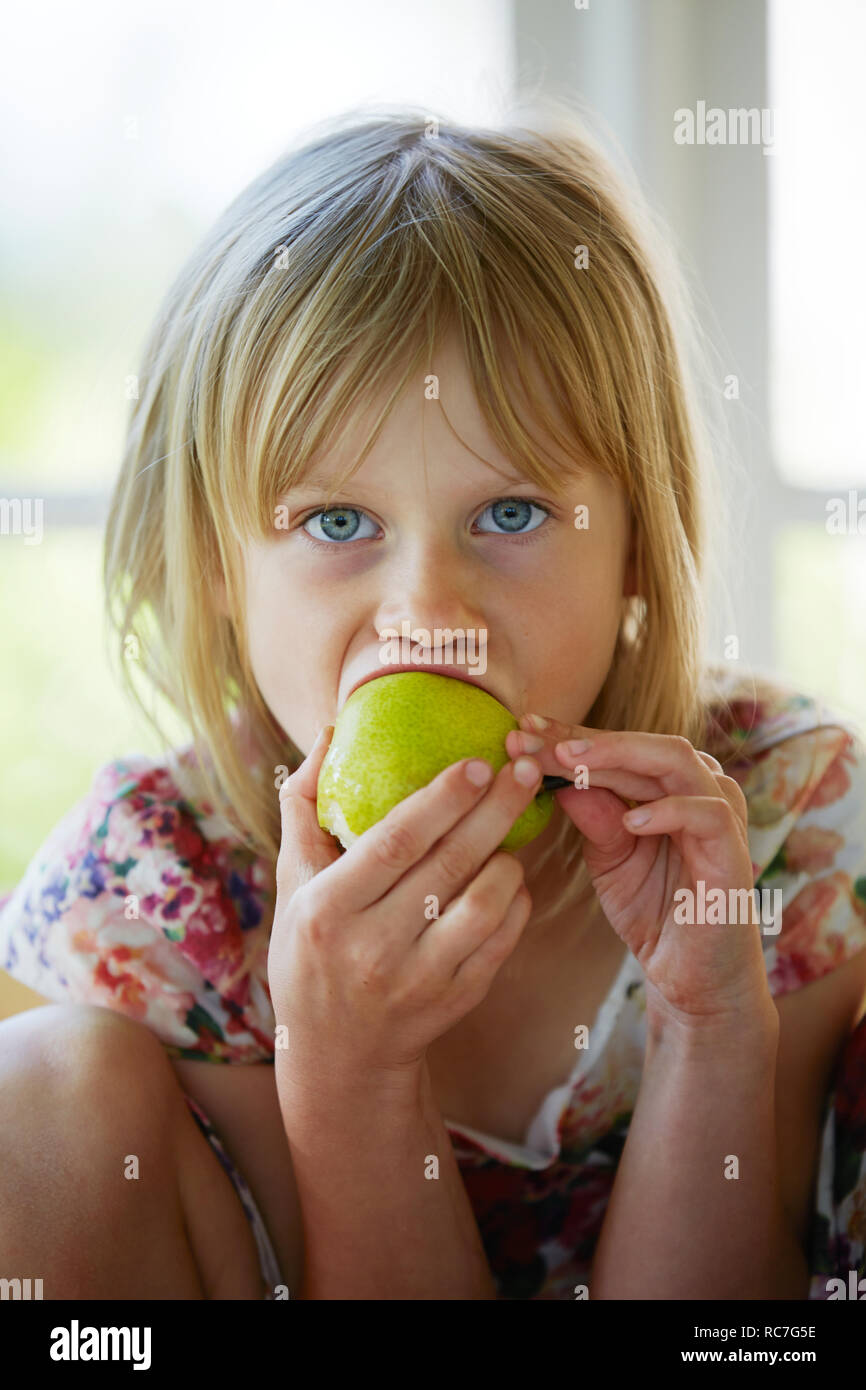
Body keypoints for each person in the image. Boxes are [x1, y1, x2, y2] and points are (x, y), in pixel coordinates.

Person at [1, 102, 865, 1301]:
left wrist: (710, 1028)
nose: (426, 607)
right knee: (38, 1094)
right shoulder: (158, 893)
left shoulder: (769, 818)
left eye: (508, 515)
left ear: (631, 545)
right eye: (336, 523)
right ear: (217, 564)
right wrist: (347, 1081)